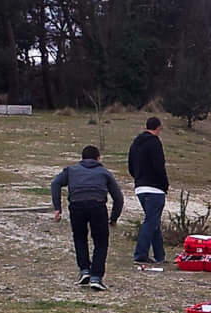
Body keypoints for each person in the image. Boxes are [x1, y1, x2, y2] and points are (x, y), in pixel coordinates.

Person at [50, 144, 125, 290]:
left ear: (82, 158)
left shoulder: (71, 170)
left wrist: (57, 208)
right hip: (97, 206)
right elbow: (118, 198)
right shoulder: (105, 173)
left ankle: (84, 270)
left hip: (76, 206)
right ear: (98, 158)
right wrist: (114, 218)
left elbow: (55, 183)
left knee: (80, 238)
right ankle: (96, 277)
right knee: (101, 242)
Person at [127, 114, 169, 270]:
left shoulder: (135, 144)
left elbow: (130, 166)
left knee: (154, 221)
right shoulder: (154, 143)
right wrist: (164, 184)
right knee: (151, 221)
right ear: (158, 128)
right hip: (155, 188)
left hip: (140, 187)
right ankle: (141, 254)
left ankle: (160, 255)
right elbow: (159, 165)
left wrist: (138, 178)